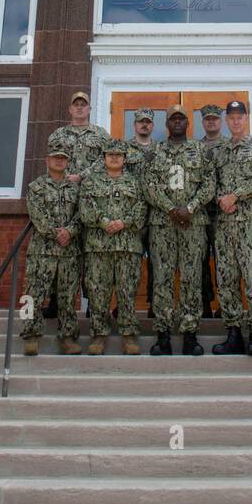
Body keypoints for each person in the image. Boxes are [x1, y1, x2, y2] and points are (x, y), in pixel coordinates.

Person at [145, 104, 214, 357]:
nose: (177, 122)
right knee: (162, 278)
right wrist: (172, 209)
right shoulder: (155, 151)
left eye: (181, 119)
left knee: (191, 278)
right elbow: (148, 184)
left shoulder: (200, 150)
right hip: (163, 225)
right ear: (167, 124)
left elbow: (209, 183)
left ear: (187, 124)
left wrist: (191, 208)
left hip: (193, 225)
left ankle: (189, 334)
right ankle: (163, 335)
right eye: (173, 119)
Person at [210, 100, 252, 357]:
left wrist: (235, 195)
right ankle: (233, 332)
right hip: (225, 225)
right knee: (226, 280)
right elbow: (210, 181)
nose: (235, 121)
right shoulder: (219, 150)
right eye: (231, 117)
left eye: (240, 116)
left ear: (246, 118)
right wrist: (220, 200)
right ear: (226, 120)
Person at [79, 139, 146, 355]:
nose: (114, 157)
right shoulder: (91, 182)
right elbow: (85, 208)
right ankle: (99, 334)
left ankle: (129, 335)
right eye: (110, 154)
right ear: (104, 158)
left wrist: (124, 222)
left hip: (128, 246)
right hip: (99, 246)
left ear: (125, 159)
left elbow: (142, 208)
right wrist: (103, 221)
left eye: (118, 154)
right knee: (98, 292)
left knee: (127, 291)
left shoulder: (136, 183)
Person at [46, 90, 110, 315]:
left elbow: (108, 161)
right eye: (76, 105)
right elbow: (53, 162)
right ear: (70, 109)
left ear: (90, 109)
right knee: (62, 249)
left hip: (93, 199)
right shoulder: (58, 135)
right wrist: (66, 179)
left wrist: (82, 176)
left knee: (93, 252)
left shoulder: (101, 135)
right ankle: (56, 303)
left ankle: (94, 303)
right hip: (63, 200)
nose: (80, 108)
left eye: (84, 105)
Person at [19, 138, 82, 356]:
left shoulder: (76, 190)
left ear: (68, 162)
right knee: (32, 294)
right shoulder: (36, 187)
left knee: (68, 296)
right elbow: (37, 216)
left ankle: (68, 337)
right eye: (55, 157)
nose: (59, 161)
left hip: (69, 252)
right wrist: (58, 233)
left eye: (63, 158)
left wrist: (70, 232)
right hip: (42, 251)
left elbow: (81, 215)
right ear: (47, 160)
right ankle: (30, 334)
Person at [124, 107, 157, 315]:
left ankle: (155, 304)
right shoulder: (124, 149)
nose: (144, 125)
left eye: (148, 122)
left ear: (152, 126)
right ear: (134, 125)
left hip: (155, 213)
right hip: (131, 215)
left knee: (156, 261)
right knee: (129, 261)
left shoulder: (160, 150)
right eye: (140, 122)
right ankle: (126, 305)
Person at [198, 103, 227, 315]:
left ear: (221, 121)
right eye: (207, 119)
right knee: (200, 259)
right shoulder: (195, 148)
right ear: (203, 122)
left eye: (215, 119)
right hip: (200, 211)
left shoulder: (229, 146)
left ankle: (225, 305)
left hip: (223, 213)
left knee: (223, 259)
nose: (211, 122)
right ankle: (205, 303)